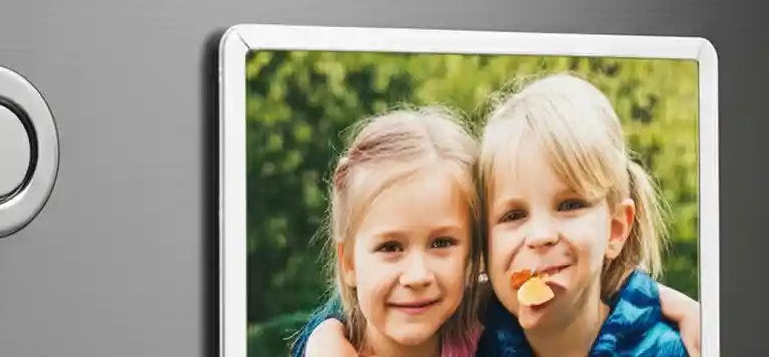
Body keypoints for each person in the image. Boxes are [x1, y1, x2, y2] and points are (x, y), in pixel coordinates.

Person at [474, 73, 691, 356]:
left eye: (569, 205)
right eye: (513, 215)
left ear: (615, 230)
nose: (541, 236)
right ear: (481, 244)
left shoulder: (668, 350)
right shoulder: (467, 344)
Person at [292, 107, 486, 357]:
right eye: (390, 247)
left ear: (472, 255)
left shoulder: (493, 340)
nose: (417, 276)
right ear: (349, 263)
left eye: (441, 243)